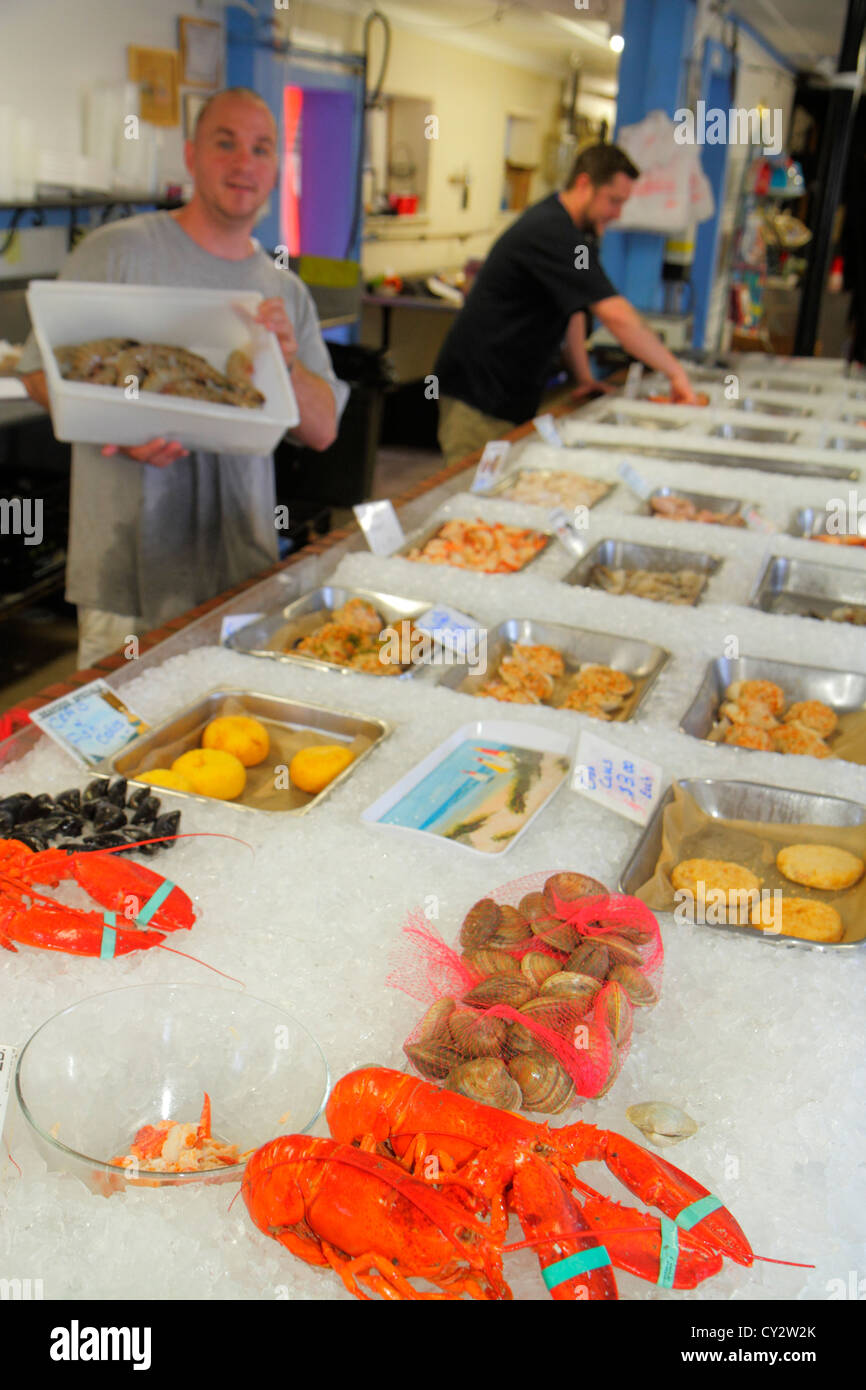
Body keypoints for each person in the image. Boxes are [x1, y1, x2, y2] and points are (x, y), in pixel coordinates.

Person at [18, 87, 346, 669]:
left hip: (242, 574)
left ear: (275, 169)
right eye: (226, 144)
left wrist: (285, 362)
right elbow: (37, 372)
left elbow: (322, 431)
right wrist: (121, 423)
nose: (244, 162)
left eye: (262, 148)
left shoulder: (284, 291)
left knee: (224, 747)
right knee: (116, 748)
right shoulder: (116, 253)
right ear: (191, 156)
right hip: (125, 575)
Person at [435, 143, 699, 465]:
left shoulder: (581, 236)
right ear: (585, 184)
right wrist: (675, 373)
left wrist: (584, 376)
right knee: (474, 493)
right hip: (478, 392)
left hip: (513, 390)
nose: (617, 214)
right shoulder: (551, 231)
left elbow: (574, 306)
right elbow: (615, 315)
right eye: (614, 201)